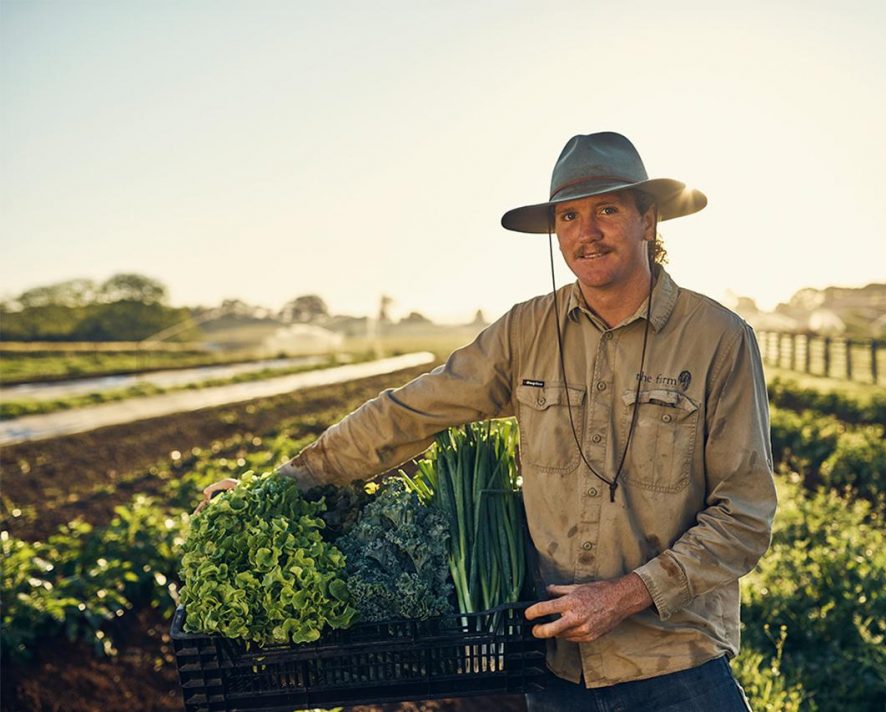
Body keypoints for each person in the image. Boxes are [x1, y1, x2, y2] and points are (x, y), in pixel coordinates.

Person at [200, 131, 776, 711]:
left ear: (648, 221)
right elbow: (411, 412)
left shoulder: (717, 339)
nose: (586, 232)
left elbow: (745, 517)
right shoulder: (526, 331)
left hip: (675, 664)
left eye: (607, 209)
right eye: (569, 216)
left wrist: (624, 596)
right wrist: (275, 488)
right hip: (556, 668)